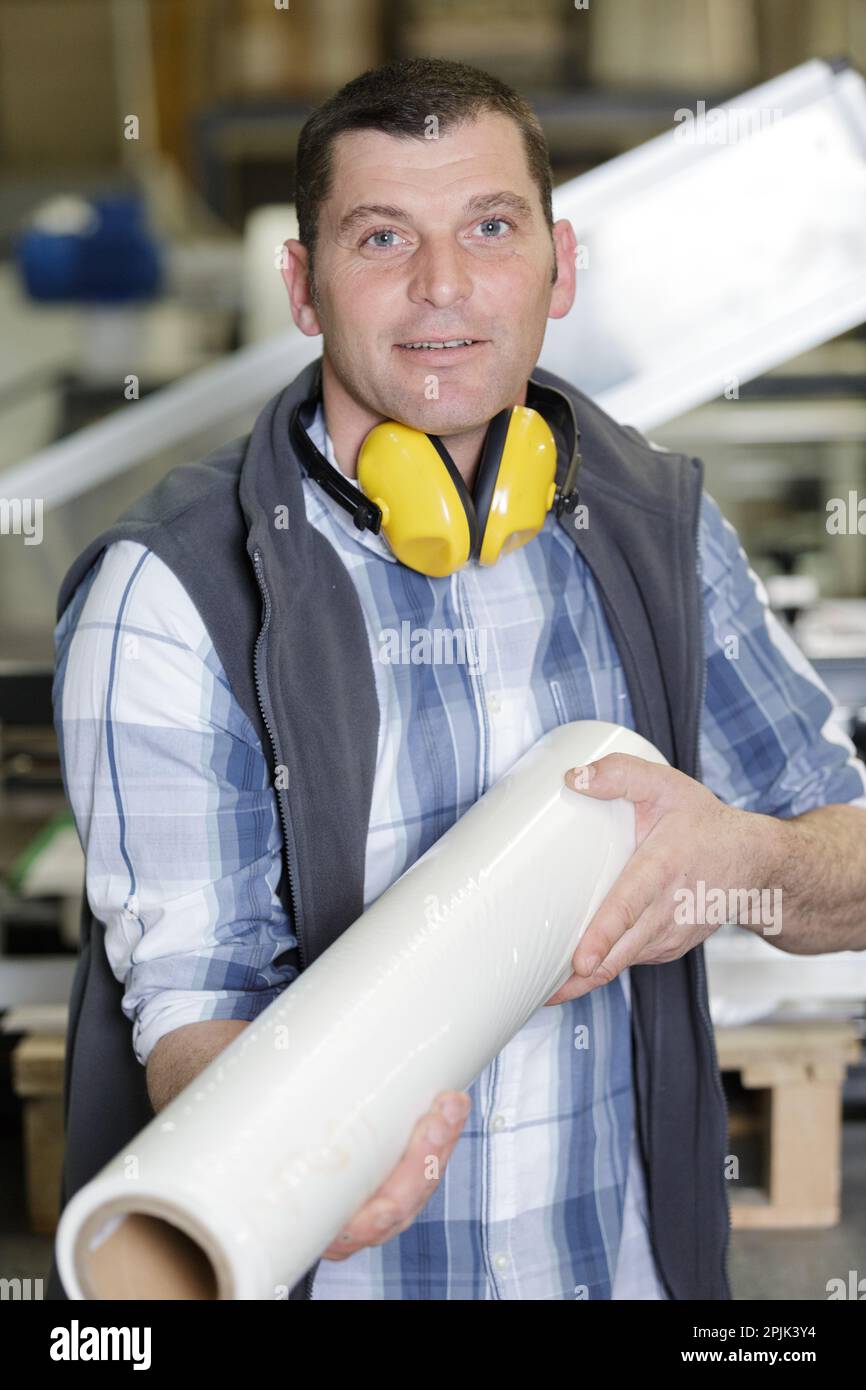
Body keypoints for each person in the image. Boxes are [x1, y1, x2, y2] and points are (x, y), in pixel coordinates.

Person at [50, 57, 866, 1301]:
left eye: (489, 226)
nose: (443, 286)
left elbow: (847, 860)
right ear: (302, 287)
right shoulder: (172, 593)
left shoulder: (657, 528)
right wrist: (298, 1171)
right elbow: (192, 1000)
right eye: (382, 237)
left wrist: (742, 863)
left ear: (560, 262)